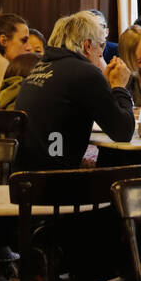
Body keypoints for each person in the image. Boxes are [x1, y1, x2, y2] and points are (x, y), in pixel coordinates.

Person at [15, 10, 134, 168]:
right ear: (87, 46)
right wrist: (119, 85)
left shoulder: (40, 67)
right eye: (101, 45)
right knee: (119, 163)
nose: (101, 53)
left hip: (23, 175)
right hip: (56, 180)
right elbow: (123, 132)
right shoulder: (85, 72)